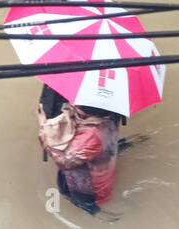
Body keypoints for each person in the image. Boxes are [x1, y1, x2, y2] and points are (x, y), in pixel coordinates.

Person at [37, 87, 125, 217]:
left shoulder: (89, 136)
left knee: (76, 197)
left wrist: (48, 129)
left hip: (91, 191)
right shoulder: (113, 110)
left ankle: (93, 211)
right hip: (104, 155)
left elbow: (65, 161)